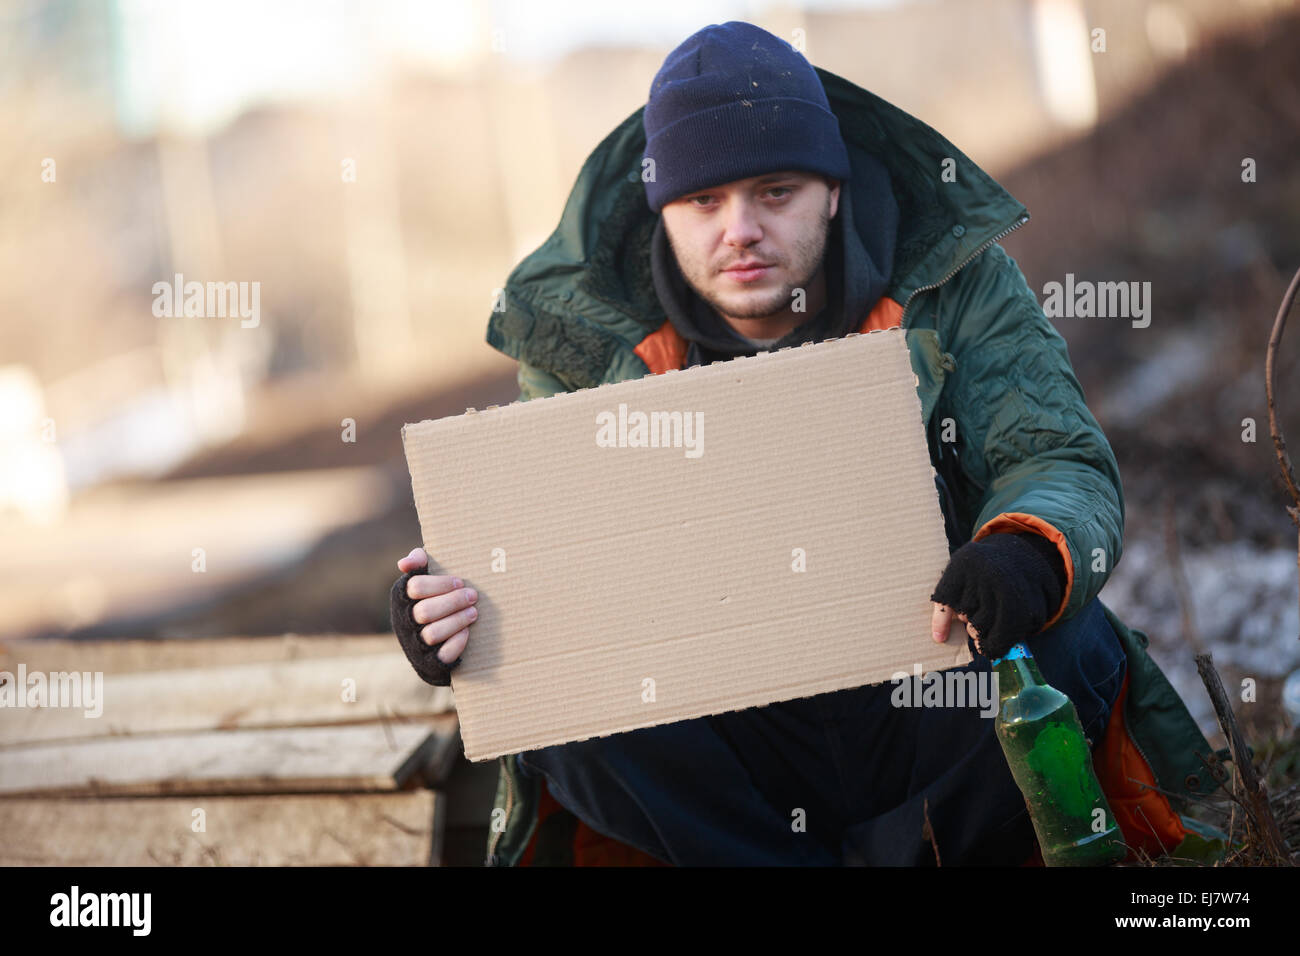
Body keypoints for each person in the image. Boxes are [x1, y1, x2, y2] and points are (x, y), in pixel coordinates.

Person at [390, 21, 1219, 866]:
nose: (739, 229)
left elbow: (1056, 457)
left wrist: (1021, 552)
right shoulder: (584, 345)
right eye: (703, 202)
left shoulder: (951, 283)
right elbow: (543, 567)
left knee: (1064, 636)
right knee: (565, 708)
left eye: (774, 191)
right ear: (661, 212)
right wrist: (456, 619)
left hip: (931, 677)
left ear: (831, 189)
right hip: (730, 732)